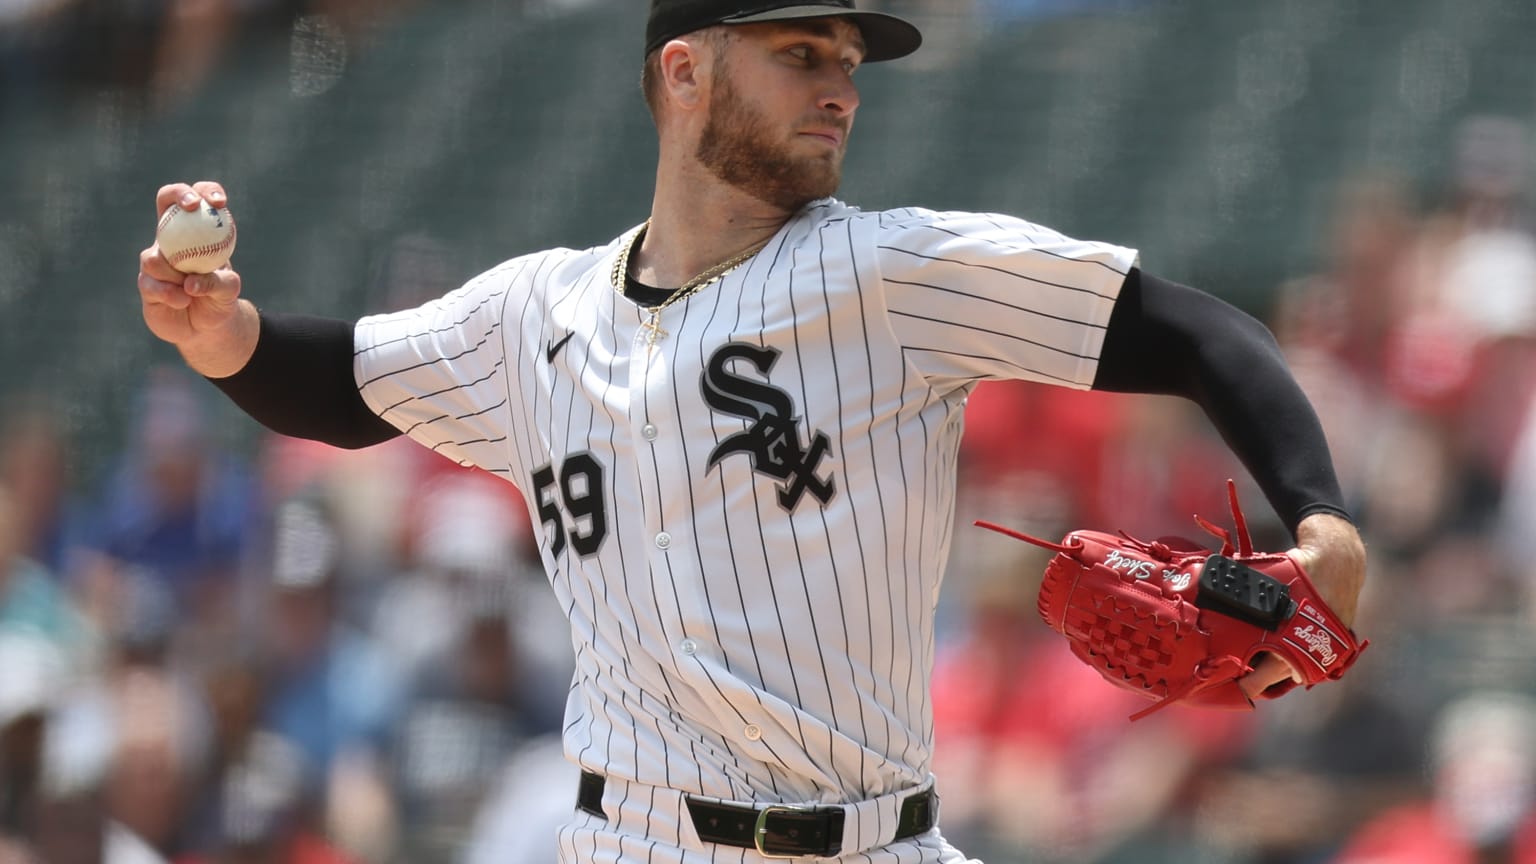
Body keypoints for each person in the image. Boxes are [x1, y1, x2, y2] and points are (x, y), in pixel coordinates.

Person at [135, 1, 1368, 860]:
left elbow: (1199, 332)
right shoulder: (532, 316)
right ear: (685, 70)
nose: (840, 84)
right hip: (632, 842)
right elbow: (343, 383)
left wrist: (1320, 518)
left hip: (884, 841)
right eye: (799, 51)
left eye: (847, 57)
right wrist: (220, 337)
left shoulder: (890, 274)